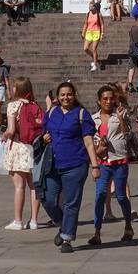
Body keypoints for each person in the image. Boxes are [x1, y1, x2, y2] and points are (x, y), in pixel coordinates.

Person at [40, 81, 99, 253]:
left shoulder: (81, 114)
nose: (66, 97)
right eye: (62, 94)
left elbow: (88, 142)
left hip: (75, 164)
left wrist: (95, 166)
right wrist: (44, 138)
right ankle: (62, 224)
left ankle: (67, 238)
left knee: (71, 203)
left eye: (69, 94)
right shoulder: (51, 112)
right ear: (57, 97)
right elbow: (44, 131)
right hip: (52, 163)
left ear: (74, 96)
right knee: (48, 199)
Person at [88, 84, 136, 244]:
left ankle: (128, 225)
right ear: (99, 101)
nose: (108, 101)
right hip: (102, 162)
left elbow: (127, 135)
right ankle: (97, 232)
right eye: (105, 99)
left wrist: (122, 118)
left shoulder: (120, 115)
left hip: (119, 160)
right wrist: (98, 148)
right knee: (100, 194)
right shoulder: (93, 118)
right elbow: (88, 142)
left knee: (121, 196)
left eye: (111, 98)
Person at [2, 76, 44, 230]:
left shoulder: (13, 106)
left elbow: (12, 130)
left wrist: (4, 135)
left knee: (19, 187)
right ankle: (34, 220)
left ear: (18, 89)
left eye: (14, 86)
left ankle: (18, 221)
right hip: (34, 148)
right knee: (34, 186)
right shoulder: (35, 105)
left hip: (19, 148)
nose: (12, 88)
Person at [81, 0, 104, 74]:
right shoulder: (87, 14)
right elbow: (85, 24)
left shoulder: (98, 14)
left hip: (96, 32)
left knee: (94, 48)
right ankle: (95, 58)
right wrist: (83, 32)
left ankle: (95, 64)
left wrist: (102, 34)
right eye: (89, 6)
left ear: (94, 7)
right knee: (85, 48)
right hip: (89, 32)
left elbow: (102, 24)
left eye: (91, 6)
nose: (90, 8)